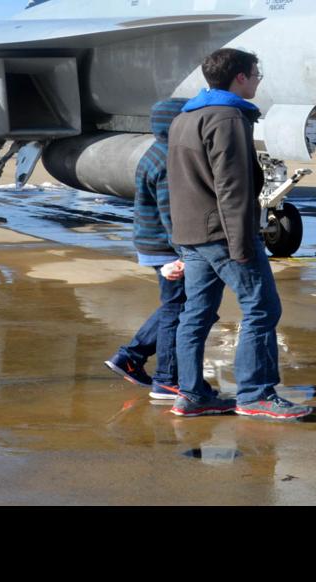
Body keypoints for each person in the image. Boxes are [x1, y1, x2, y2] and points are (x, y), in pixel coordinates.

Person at [167, 48, 314, 421]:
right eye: (256, 73)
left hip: (193, 232)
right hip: (222, 233)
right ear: (240, 78)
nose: (259, 79)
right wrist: (242, 244)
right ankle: (255, 393)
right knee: (262, 308)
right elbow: (231, 186)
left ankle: (192, 394)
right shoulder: (228, 117)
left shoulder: (185, 117)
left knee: (196, 314)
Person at [104, 97, 190, 401]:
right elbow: (172, 214)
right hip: (166, 246)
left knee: (177, 305)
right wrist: (183, 255)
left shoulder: (157, 152)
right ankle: (167, 379)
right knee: (176, 311)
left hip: (156, 242)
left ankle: (130, 357)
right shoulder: (169, 160)